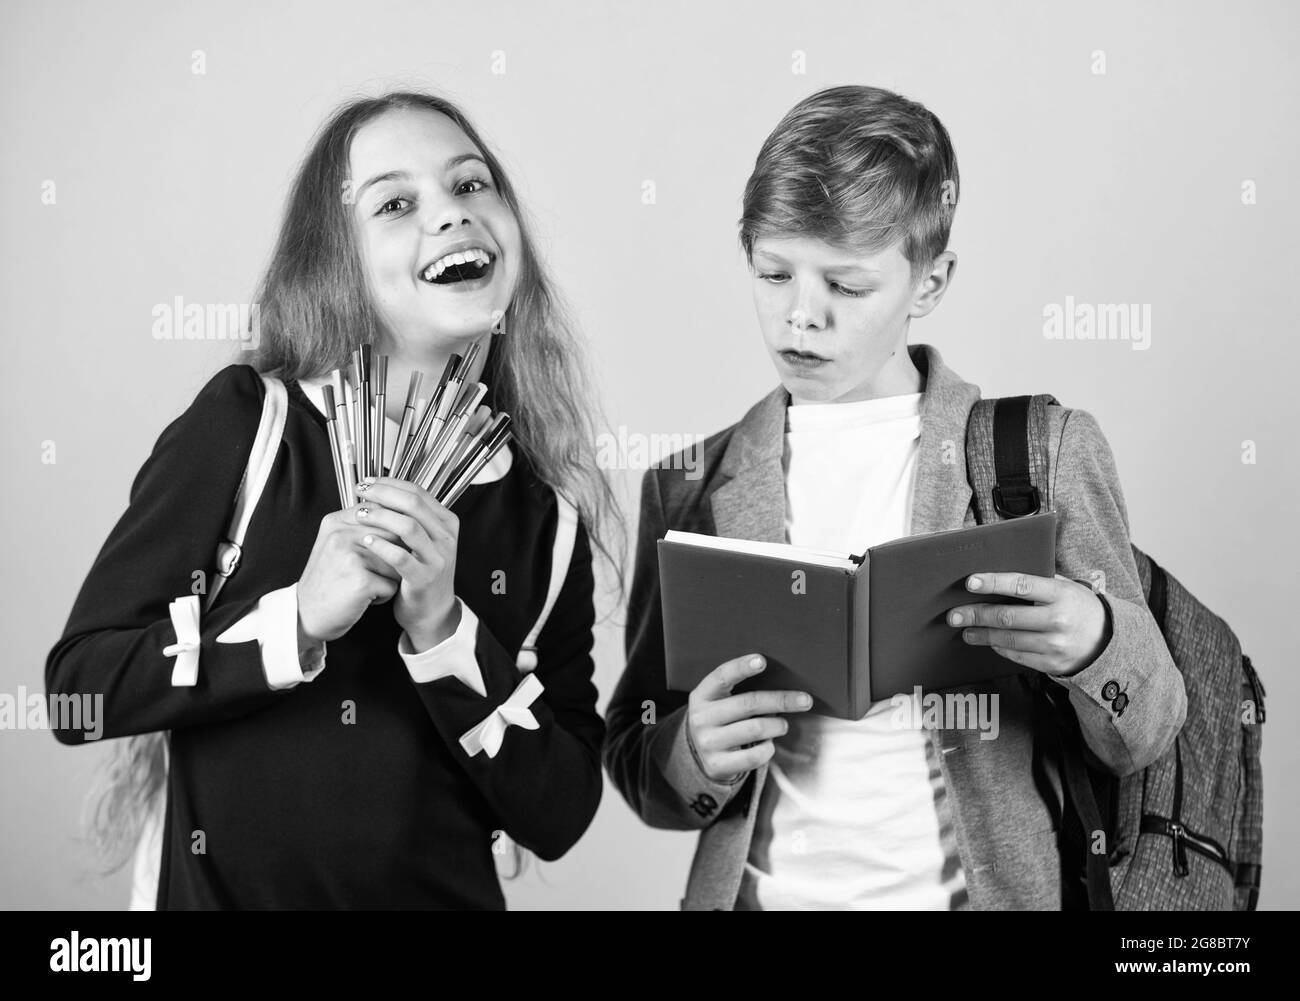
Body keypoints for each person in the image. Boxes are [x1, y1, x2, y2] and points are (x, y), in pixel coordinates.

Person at [603, 85, 1187, 911]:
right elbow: (639, 762)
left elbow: (1152, 726)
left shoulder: (1040, 453)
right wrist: (694, 748)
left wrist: (1094, 639)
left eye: (845, 286)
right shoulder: (691, 483)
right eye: (773, 273)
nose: (800, 317)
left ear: (931, 281)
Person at [46, 91, 620, 909]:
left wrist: (446, 632)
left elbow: (561, 813)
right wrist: (299, 617)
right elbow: (77, 692)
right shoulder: (251, 422)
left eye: (471, 185)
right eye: (395, 202)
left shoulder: (546, 523)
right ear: (336, 260)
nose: (452, 217)